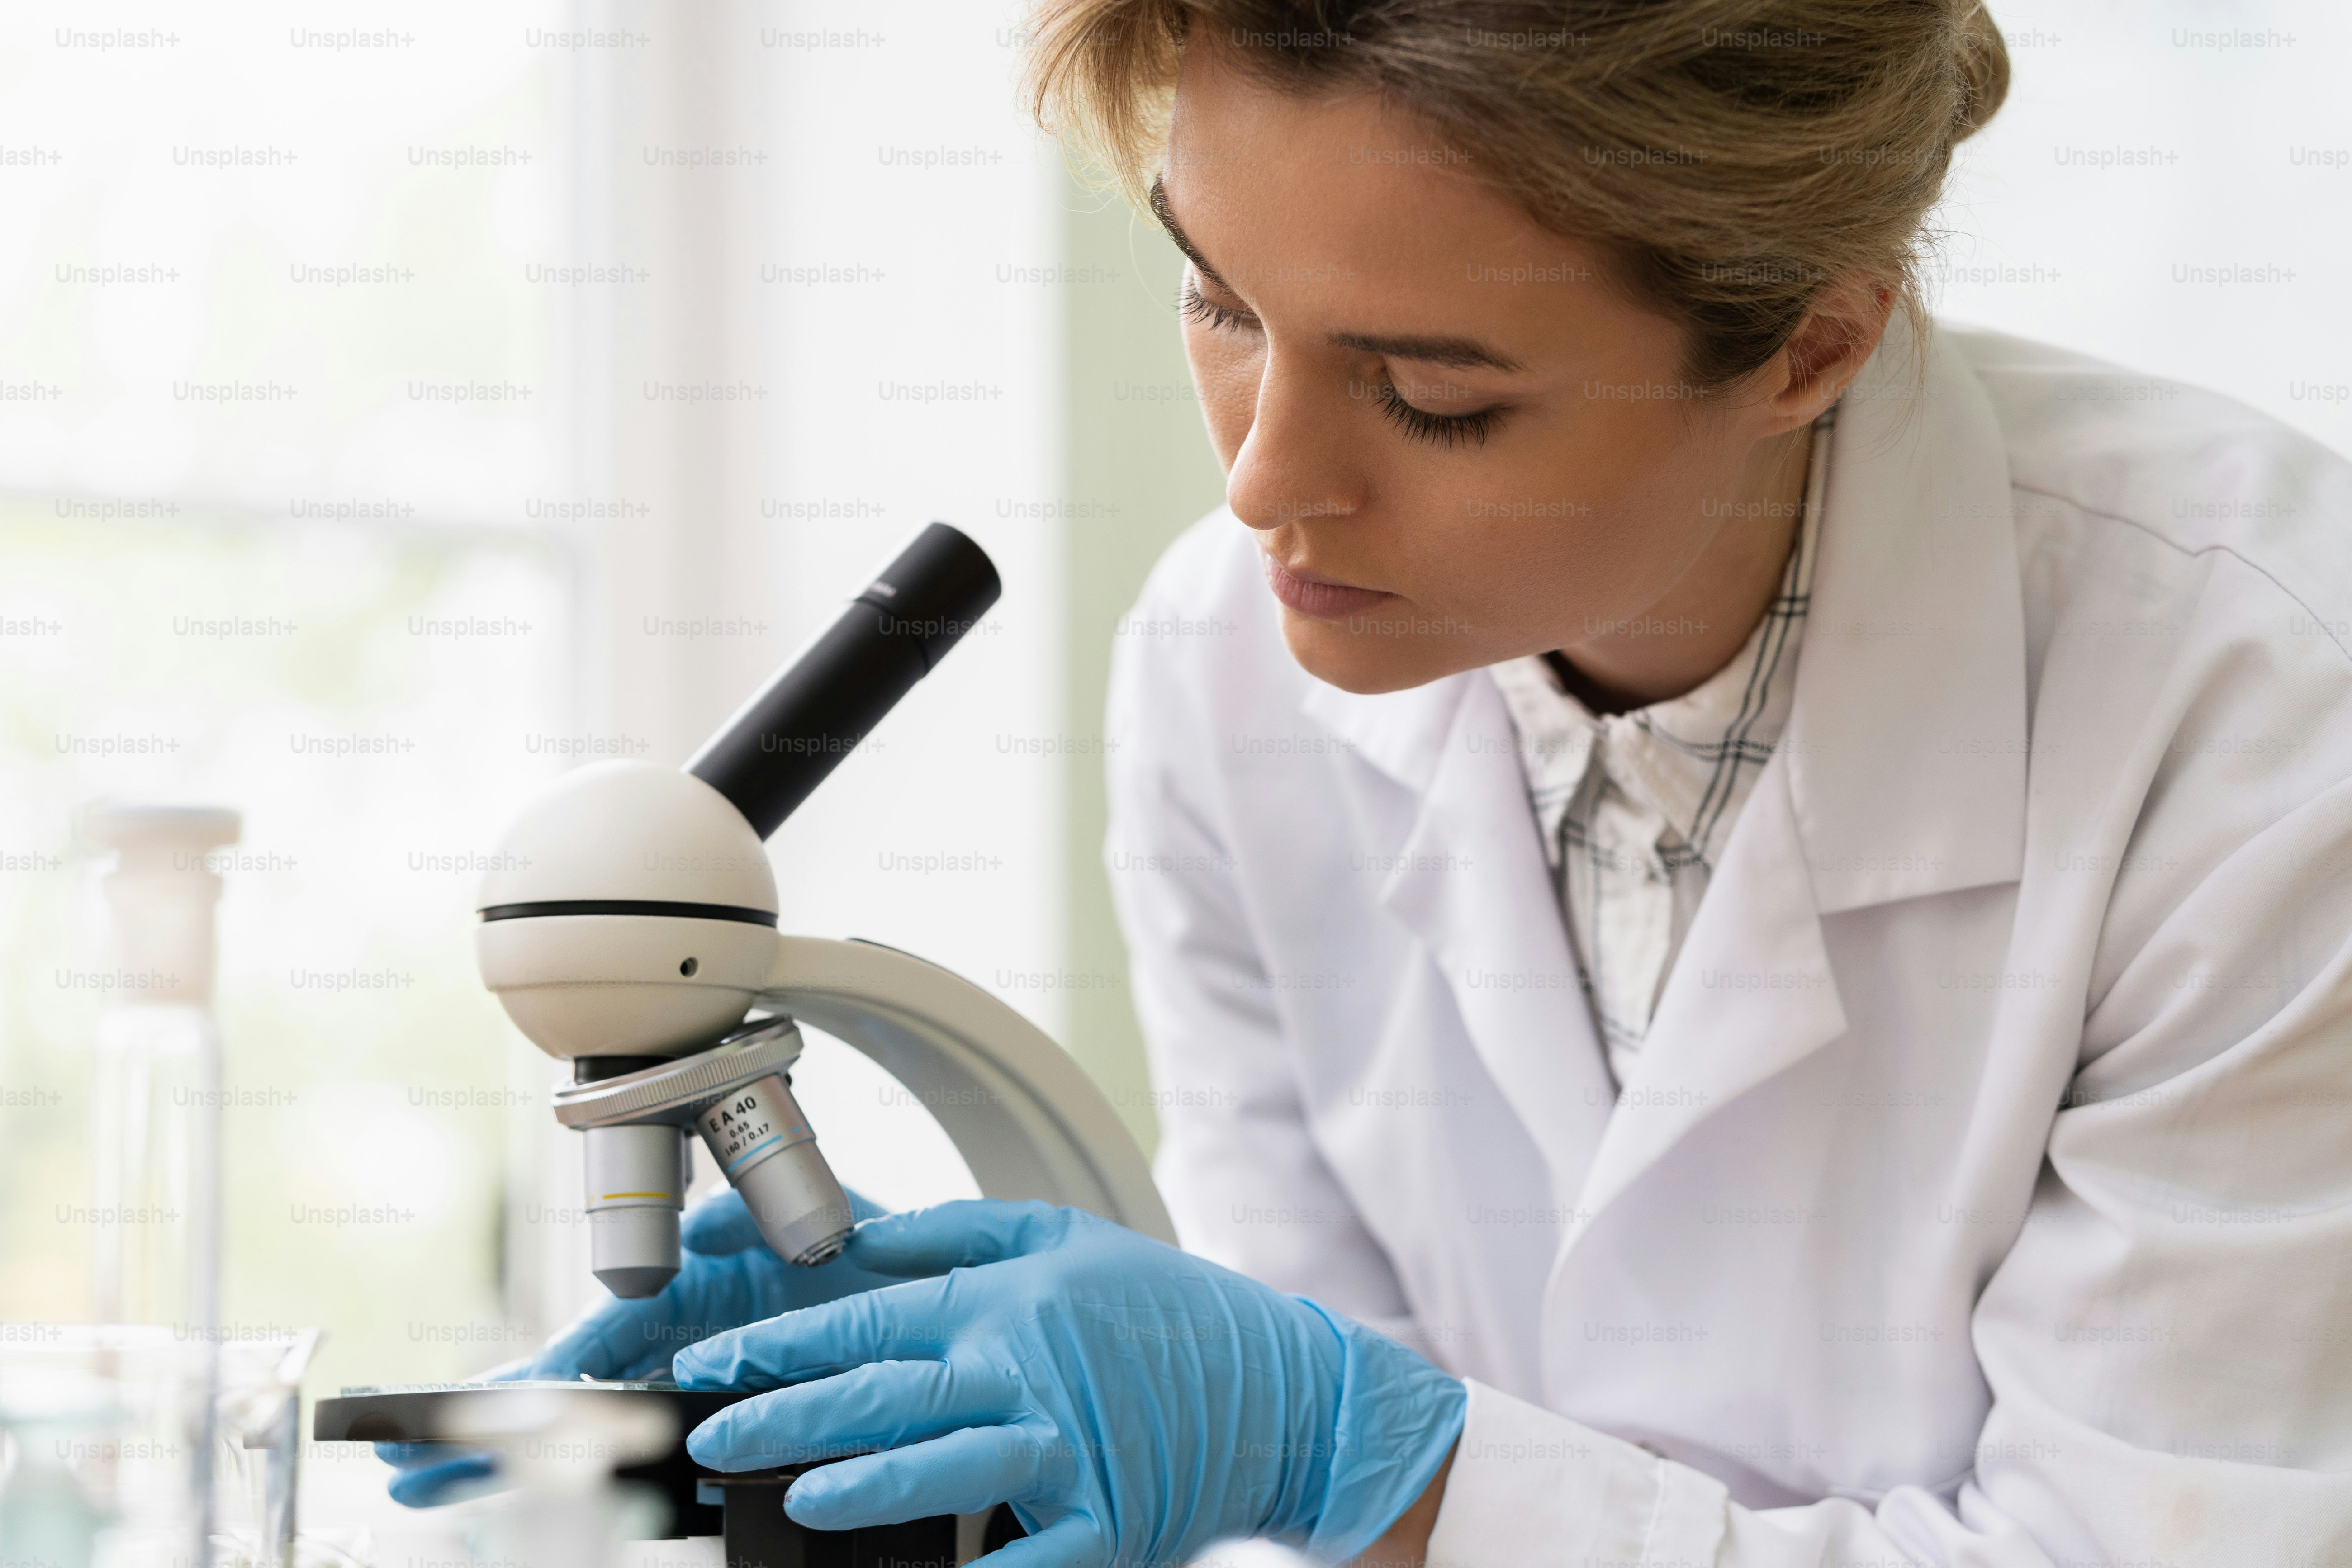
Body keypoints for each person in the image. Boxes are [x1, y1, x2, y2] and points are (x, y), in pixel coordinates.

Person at [392, 3, 2352, 1564]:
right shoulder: (1217, 669)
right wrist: (1015, 1411)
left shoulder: (2260, 711)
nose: (1263, 486)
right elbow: (1290, 1492)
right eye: (1221, 303)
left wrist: (1349, 1447)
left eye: (1435, 397)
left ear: (1809, 344)